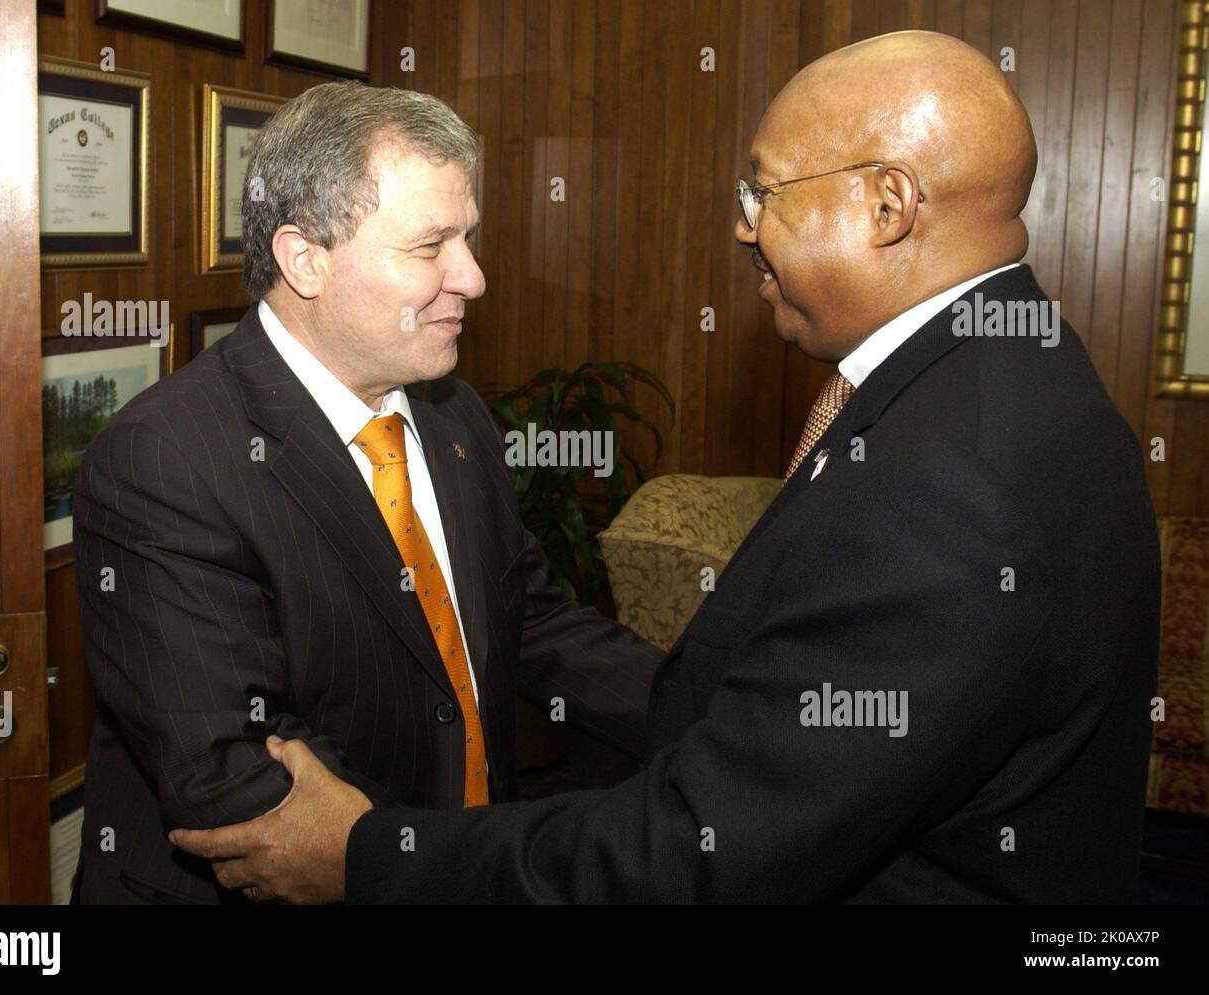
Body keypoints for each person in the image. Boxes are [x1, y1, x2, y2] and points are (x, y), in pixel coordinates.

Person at [172, 30, 1161, 904]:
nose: (742, 226)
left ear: (887, 204)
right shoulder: (1015, 364)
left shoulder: (949, 479)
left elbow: (705, 850)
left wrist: (367, 855)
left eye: (761, 192)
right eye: (432, 243)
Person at [71, 81, 662, 904]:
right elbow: (235, 778)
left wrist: (700, 712)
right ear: (304, 259)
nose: (475, 277)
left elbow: (525, 617)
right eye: (432, 246)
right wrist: (460, 867)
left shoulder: (455, 416)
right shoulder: (163, 462)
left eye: (469, 238)